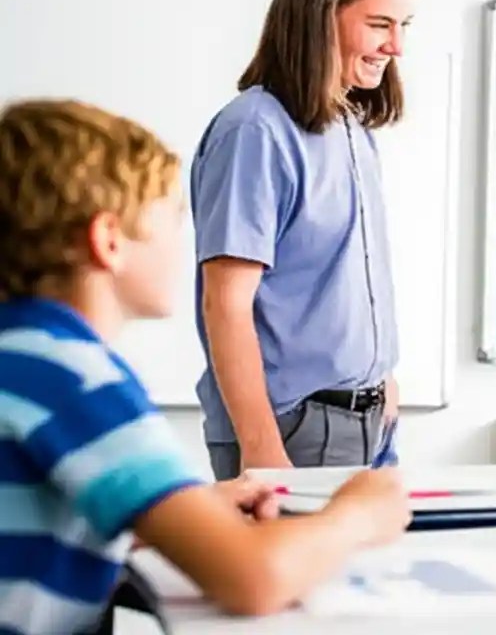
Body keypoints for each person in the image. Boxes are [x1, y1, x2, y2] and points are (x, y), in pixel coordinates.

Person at [0, 99, 410, 634]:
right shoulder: (74, 379)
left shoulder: (25, 357)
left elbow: (46, 519)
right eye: (172, 218)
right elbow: (254, 578)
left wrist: (191, 508)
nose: (186, 242)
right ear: (108, 242)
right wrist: (356, 516)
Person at [191, 0, 415, 479]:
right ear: (322, 16)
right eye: (380, 24)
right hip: (292, 428)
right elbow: (226, 304)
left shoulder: (352, 131)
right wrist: (264, 451)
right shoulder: (256, 131)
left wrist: (380, 378)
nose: (397, 46)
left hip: (367, 421)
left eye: (405, 25)